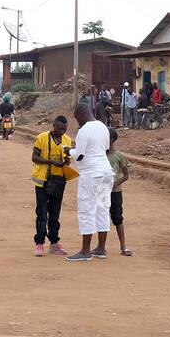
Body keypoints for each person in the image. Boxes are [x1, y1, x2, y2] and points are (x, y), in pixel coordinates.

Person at [65, 103, 114, 260]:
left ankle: (85, 251)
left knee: (87, 210)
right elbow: (106, 150)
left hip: (91, 175)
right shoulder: (103, 127)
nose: (77, 121)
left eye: (77, 118)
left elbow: (80, 155)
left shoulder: (84, 130)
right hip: (106, 173)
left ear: (81, 114)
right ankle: (101, 248)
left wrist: (69, 151)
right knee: (103, 209)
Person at [31, 115, 73, 256]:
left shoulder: (67, 140)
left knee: (55, 213)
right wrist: (51, 162)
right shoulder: (42, 138)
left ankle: (54, 243)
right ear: (53, 125)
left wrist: (67, 161)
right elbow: (34, 157)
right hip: (42, 180)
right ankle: (39, 243)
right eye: (59, 129)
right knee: (42, 213)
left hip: (59, 181)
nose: (62, 132)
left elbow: (68, 158)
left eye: (64, 129)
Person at [106, 128, 132, 255]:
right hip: (102, 191)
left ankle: (123, 247)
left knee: (117, 218)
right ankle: (100, 246)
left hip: (115, 192)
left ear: (111, 140)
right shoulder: (100, 155)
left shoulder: (119, 156)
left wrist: (116, 183)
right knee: (102, 219)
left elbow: (126, 175)